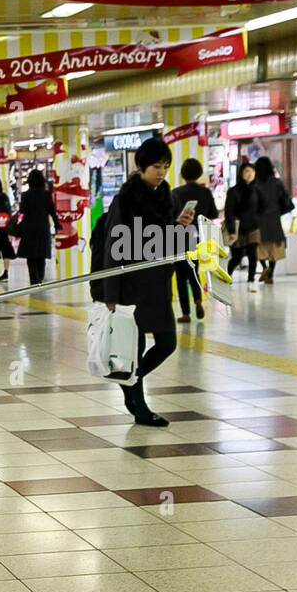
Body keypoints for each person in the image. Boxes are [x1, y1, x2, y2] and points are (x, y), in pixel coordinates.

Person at [96, 136, 195, 427]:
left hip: (158, 282)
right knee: (135, 349)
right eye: (155, 166)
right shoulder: (125, 199)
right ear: (140, 166)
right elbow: (114, 245)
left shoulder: (170, 197)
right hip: (131, 283)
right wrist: (110, 293)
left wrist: (181, 227)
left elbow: (171, 243)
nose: (161, 172)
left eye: (165, 166)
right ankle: (140, 407)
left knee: (167, 343)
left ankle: (130, 383)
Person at [170, 158, 218, 323]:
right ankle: (197, 300)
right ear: (199, 173)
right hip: (198, 238)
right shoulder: (205, 193)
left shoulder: (175, 193)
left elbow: (170, 216)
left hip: (178, 238)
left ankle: (185, 313)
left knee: (181, 277)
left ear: (182, 174)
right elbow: (214, 214)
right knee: (194, 272)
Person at [252, 156, 293, 285]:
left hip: (259, 220)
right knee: (273, 249)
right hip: (274, 218)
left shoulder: (254, 184)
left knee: (260, 247)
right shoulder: (277, 183)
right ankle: (270, 275)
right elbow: (286, 201)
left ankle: (264, 268)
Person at [17, 169, 60, 286]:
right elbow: (52, 211)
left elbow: (22, 211)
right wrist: (57, 224)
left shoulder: (25, 195)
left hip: (29, 228)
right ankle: (40, 278)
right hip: (43, 228)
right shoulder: (46, 195)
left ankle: (34, 281)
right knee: (41, 254)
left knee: (31, 257)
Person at [224, 162, 261, 293]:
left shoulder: (257, 190)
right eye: (246, 171)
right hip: (238, 228)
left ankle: (251, 280)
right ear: (241, 174)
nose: (249, 174)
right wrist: (232, 230)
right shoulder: (234, 191)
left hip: (254, 228)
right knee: (236, 257)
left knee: (252, 254)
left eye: (252, 171)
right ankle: (226, 276)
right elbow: (228, 211)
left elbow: (263, 208)